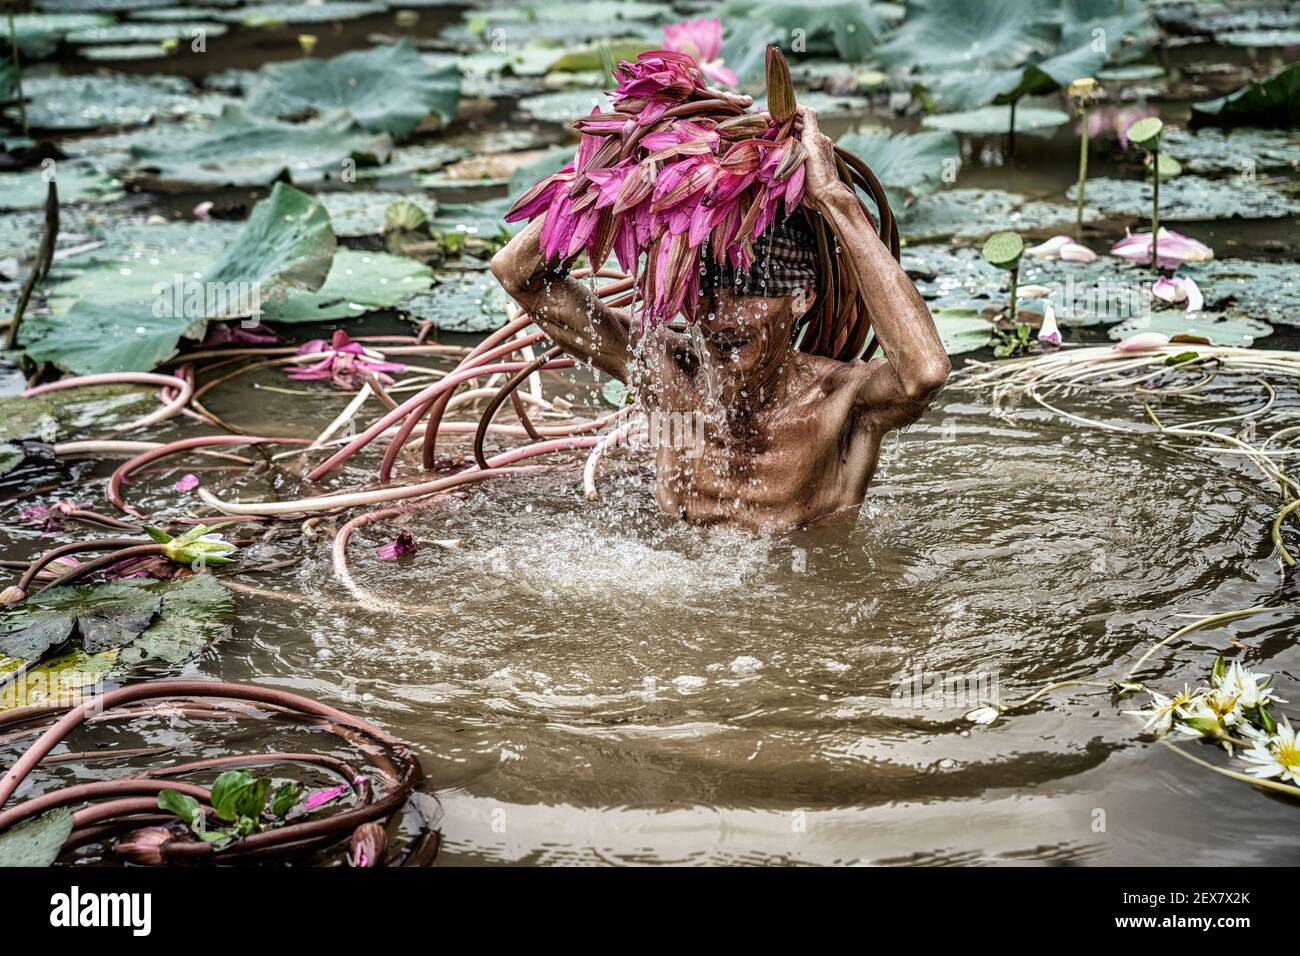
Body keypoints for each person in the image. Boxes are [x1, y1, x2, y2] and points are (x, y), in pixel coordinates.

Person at [491, 106, 950, 530]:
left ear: (801, 297)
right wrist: (633, 164)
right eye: (705, 292)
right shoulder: (668, 373)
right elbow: (520, 275)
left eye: (750, 293)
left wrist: (832, 198)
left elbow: (924, 373)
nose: (721, 316)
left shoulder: (841, 403)